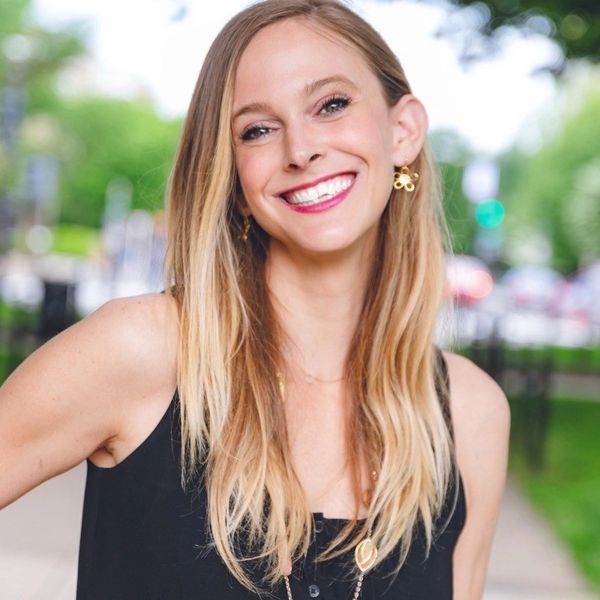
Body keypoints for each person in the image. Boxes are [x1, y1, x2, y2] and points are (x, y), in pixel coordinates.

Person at [0, 1, 510, 598]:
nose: (300, 148)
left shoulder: (471, 414)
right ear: (235, 181)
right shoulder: (142, 351)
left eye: (332, 104)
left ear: (403, 132)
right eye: (258, 130)